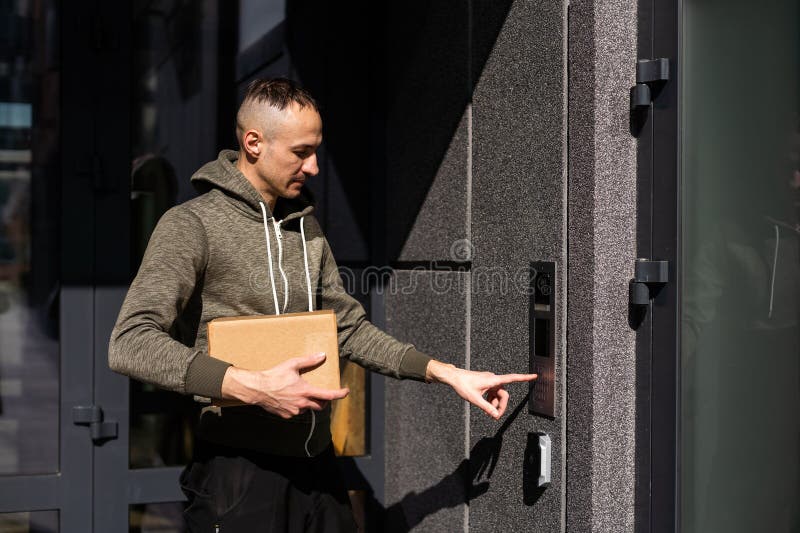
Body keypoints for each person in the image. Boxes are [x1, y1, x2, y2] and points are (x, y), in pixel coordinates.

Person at [108, 78, 537, 532]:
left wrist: (447, 373)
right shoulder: (191, 225)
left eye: (316, 151)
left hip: (318, 467)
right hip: (238, 476)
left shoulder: (304, 229)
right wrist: (251, 386)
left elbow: (347, 328)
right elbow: (131, 342)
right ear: (253, 143)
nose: (313, 166)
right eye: (300, 152)